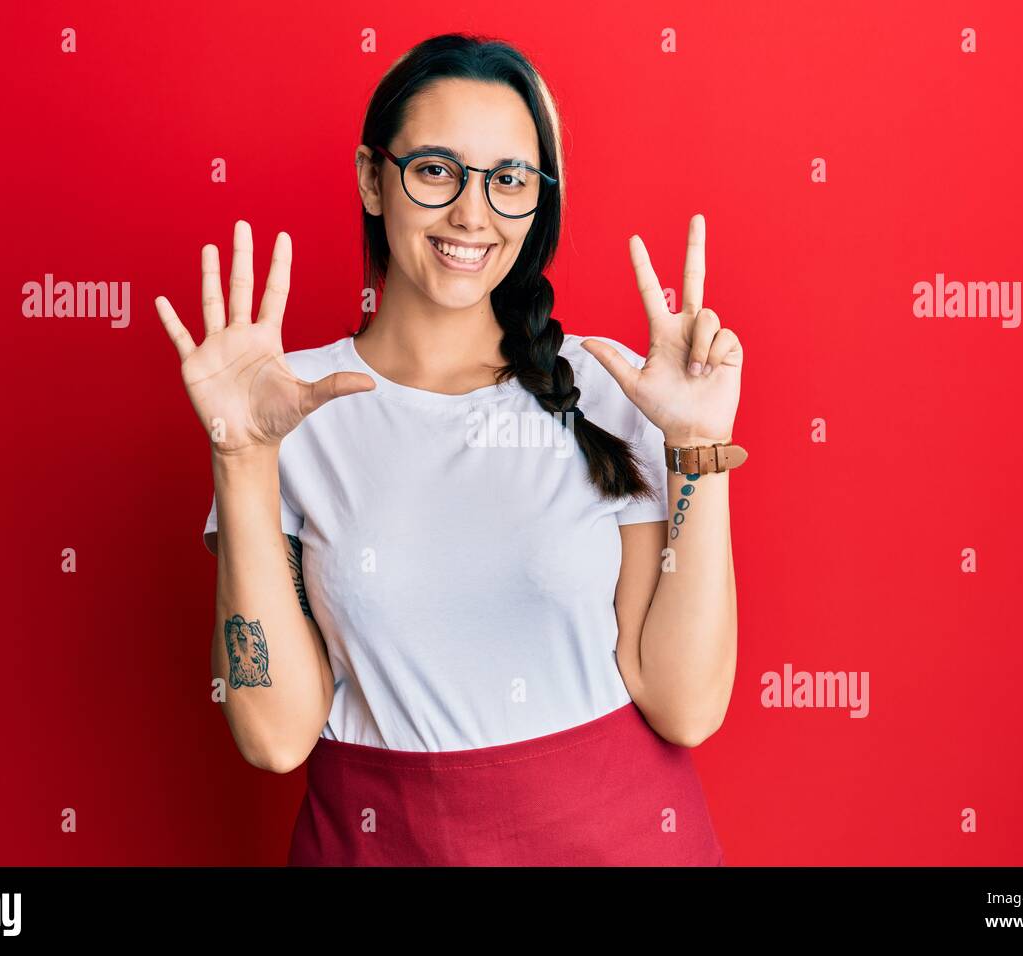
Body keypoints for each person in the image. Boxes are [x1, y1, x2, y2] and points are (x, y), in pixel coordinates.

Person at [153, 32, 745, 866]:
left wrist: (695, 446)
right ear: (371, 177)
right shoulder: (285, 405)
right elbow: (274, 735)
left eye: (508, 181)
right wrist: (242, 458)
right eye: (436, 170)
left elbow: (685, 707)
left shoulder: (611, 390)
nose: (473, 214)